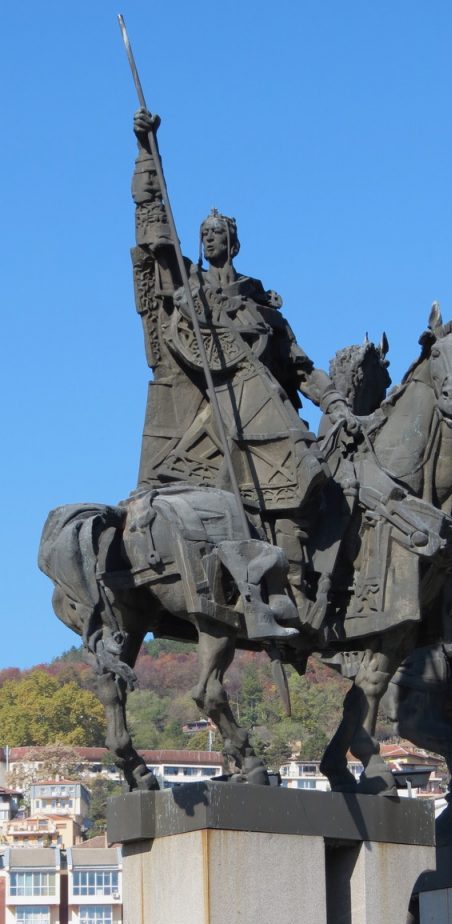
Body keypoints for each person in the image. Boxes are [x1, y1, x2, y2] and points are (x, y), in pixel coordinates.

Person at [130, 108, 358, 628]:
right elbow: (155, 232)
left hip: (269, 416)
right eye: (203, 233)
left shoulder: (264, 307)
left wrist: (339, 404)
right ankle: (268, 588)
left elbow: (301, 369)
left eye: (218, 233)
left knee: (315, 482)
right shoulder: (190, 293)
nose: (208, 238)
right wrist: (148, 151)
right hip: (216, 419)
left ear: (233, 241)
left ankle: (297, 588)